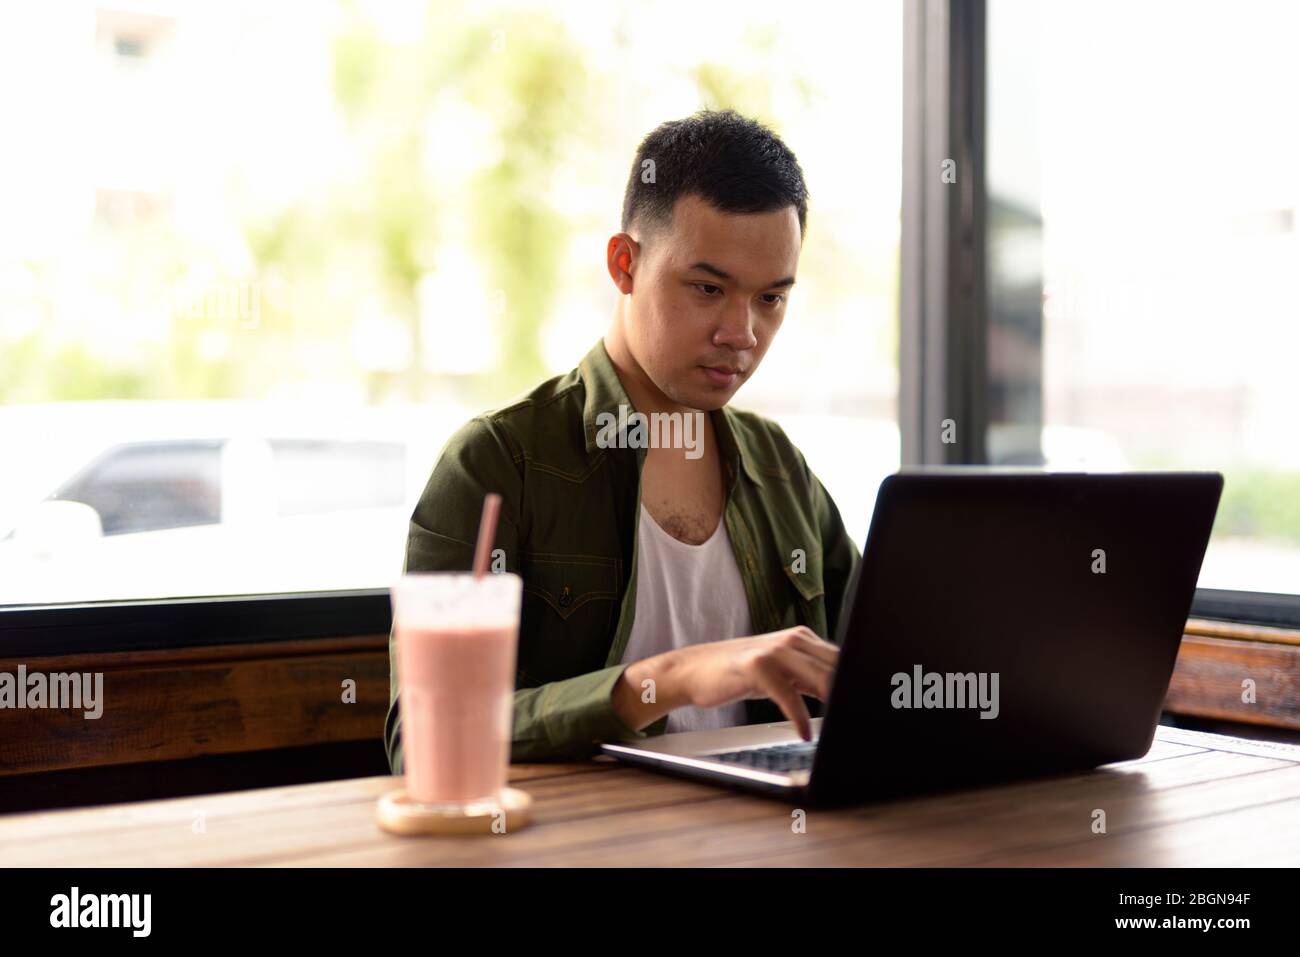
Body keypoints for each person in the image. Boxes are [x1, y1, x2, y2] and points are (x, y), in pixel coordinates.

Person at [385, 108, 860, 769]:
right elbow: (424, 736)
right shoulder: (499, 462)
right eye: (707, 288)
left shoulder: (780, 468)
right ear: (625, 263)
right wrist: (668, 678)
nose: (742, 332)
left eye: (771, 299)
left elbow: (879, 670)